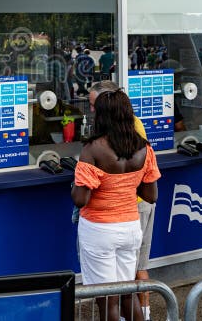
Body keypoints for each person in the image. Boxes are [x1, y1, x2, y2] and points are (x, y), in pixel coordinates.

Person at [72, 89, 160, 321]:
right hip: (130, 227)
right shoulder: (144, 148)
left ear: (101, 116)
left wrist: (77, 180)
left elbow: (81, 199)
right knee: (127, 294)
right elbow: (151, 195)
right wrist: (127, 184)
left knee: (107, 298)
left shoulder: (92, 149)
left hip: (99, 230)